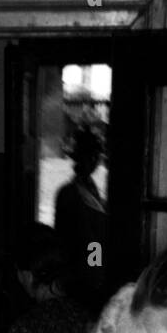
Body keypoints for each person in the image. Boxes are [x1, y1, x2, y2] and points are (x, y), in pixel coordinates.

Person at [54, 126, 108, 311]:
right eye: (92, 156)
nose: (95, 161)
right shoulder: (72, 193)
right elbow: (90, 239)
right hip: (81, 269)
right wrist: (97, 269)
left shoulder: (86, 189)